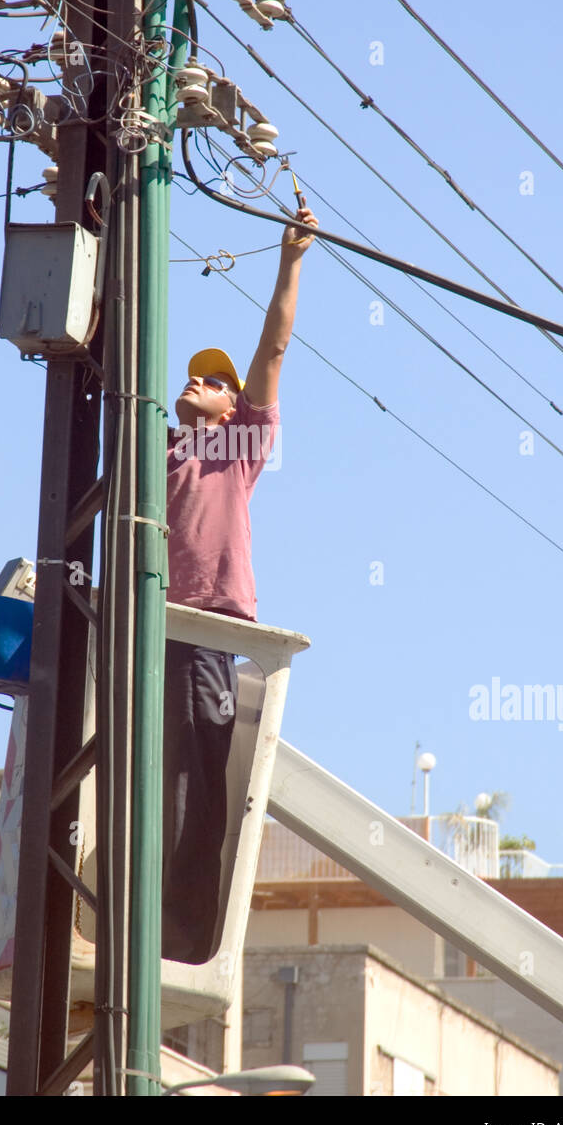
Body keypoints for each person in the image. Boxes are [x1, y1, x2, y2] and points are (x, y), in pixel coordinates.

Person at [162, 203, 318, 963]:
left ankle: (180, 934)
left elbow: (275, 348)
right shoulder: (151, 451)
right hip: (148, 634)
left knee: (194, 788)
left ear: (235, 408)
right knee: (148, 783)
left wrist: (291, 260)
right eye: (191, 375)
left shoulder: (237, 451)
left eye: (215, 381)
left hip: (205, 637)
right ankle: (137, 910)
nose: (199, 380)